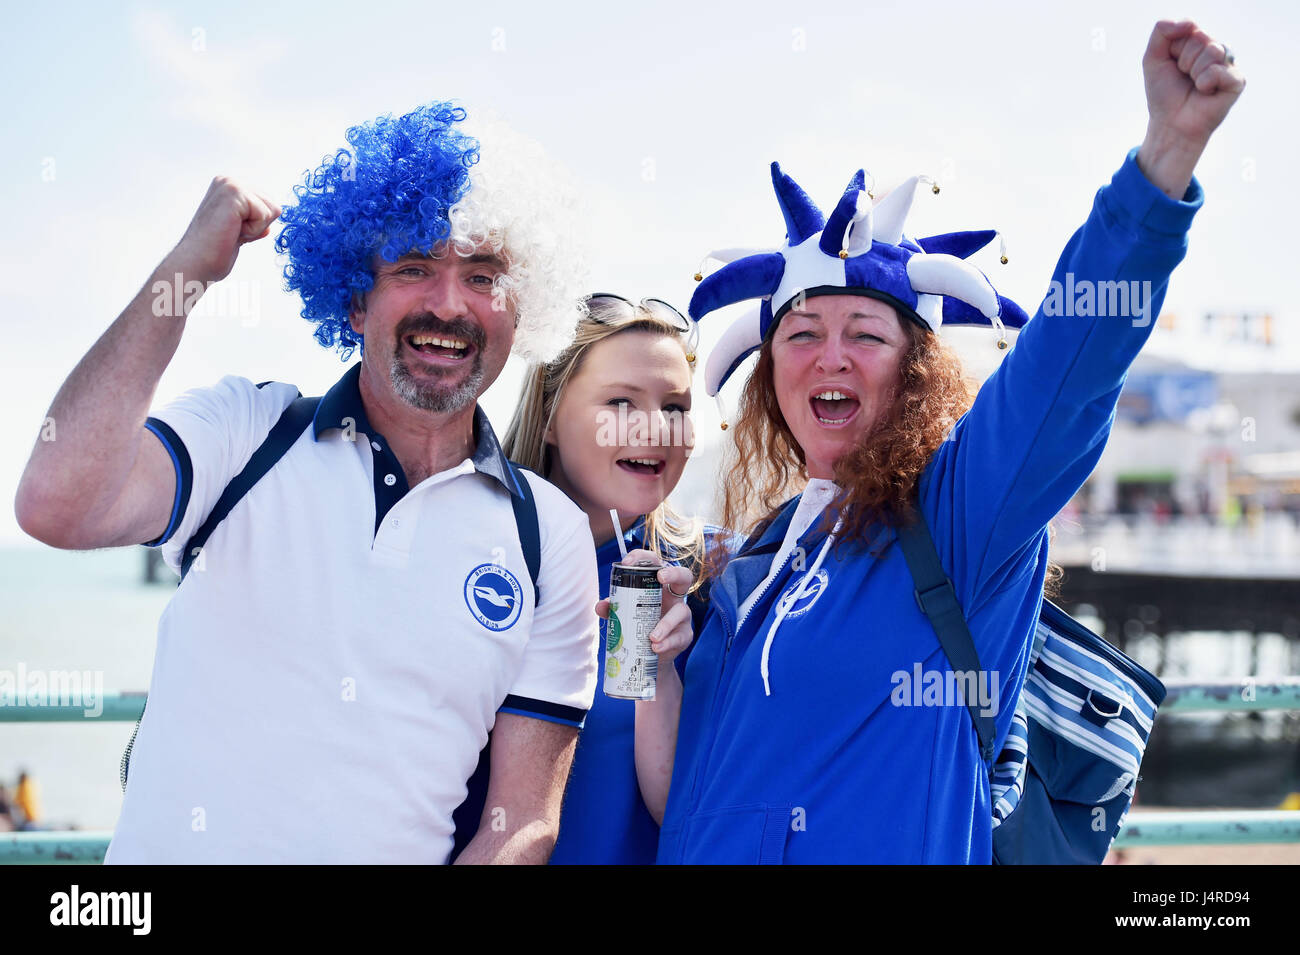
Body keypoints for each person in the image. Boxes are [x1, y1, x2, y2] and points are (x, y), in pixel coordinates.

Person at [641, 20, 1245, 863]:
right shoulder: (758, 561)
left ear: (917, 373)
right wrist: (656, 663)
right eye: (803, 333)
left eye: (867, 333)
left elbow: (1065, 371)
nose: (833, 355)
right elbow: (691, 804)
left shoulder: (960, 518)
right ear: (770, 372)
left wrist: (1162, 163)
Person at [14, 102, 598, 864]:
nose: (449, 303)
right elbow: (56, 503)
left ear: (518, 311)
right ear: (355, 301)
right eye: (414, 266)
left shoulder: (546, 535)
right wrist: (186, 271)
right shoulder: (245, 430)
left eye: (482, 275)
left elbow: (520, 818)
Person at [482, 294, 724, 864]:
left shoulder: (717, 573)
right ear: (548, 418)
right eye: (621, 402)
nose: (656, 429)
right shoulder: (472, 550)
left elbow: (685, 815)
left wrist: (656, 664)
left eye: (674, 407)